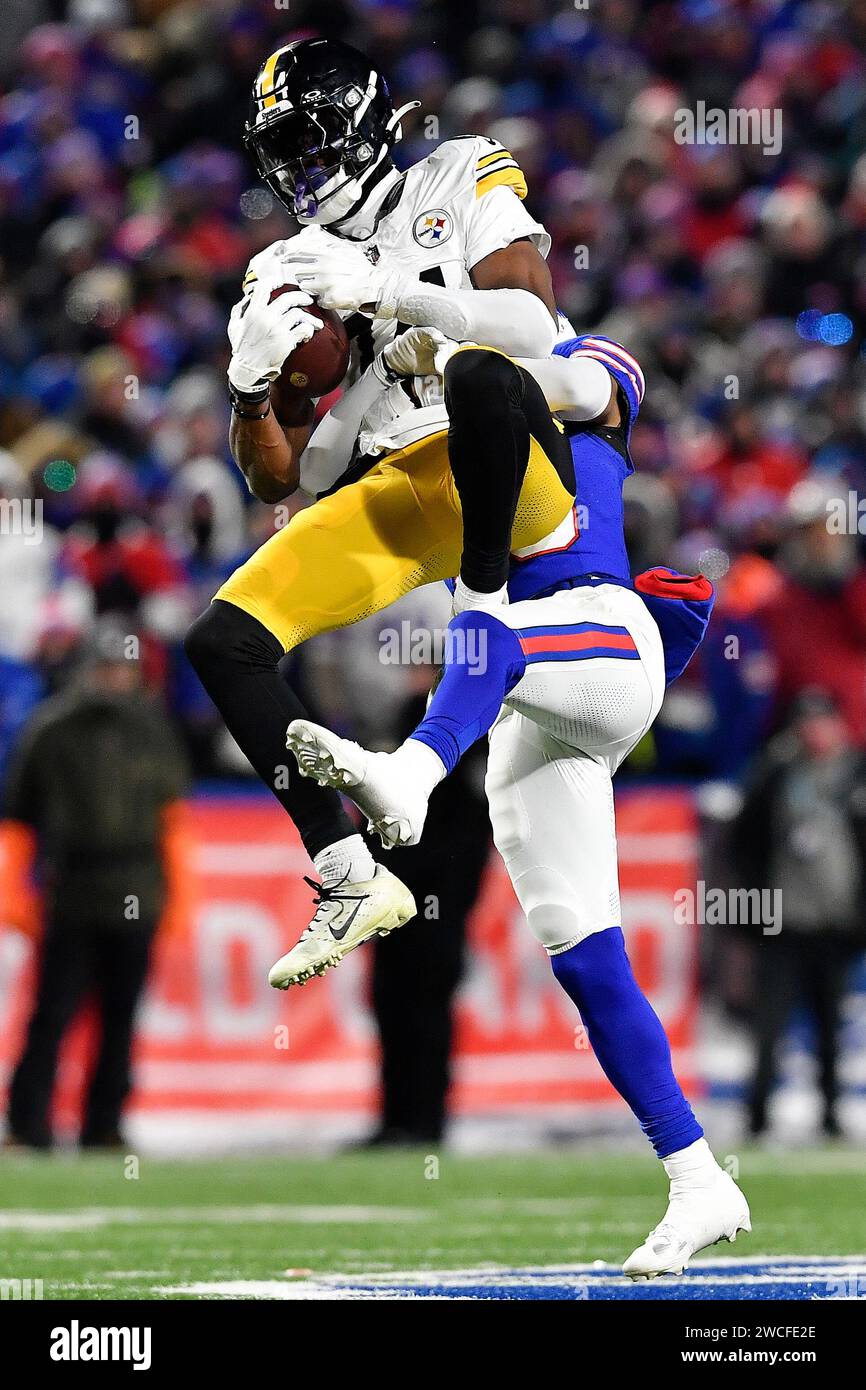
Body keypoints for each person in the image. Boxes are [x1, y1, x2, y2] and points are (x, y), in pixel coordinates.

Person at [286, 326, 752, 1279]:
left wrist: (434, 330)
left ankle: (407, 773)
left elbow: (553, 381)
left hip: (604, 642)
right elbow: (317, 471)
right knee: (581, 947)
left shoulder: (580, 377)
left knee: (484, 625)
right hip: (533, 711)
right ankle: (698, 1174)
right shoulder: (461, 415)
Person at [185, 37, 580, 984]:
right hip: (394, 484)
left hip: (509, 462)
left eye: (311, 142)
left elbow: (532, 323)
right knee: (221, 642)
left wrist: (391, 293)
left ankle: (480, 607)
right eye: (279, 150)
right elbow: (278, 480)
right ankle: (348, 871)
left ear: (364, 122)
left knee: (483, 374)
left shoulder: (456, 173)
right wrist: (247, 392)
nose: (296, 170)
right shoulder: (282, 263)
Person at [4, 622, 190, 1150]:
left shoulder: (152, 730)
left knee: (120, 1016)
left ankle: (105, 1126)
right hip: (72, 888)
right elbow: (19, 818)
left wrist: (178, 897)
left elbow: (173, 820)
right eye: (106, 667)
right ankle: (27, 1125)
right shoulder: (50, 729)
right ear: (87, 670)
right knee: (53, 1013)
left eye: (123, 669)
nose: (114, 678)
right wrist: (15, 892)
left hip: (137, 883)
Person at [732, 689, 866, 1138]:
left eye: (821, 720)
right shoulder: (776, 775)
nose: (814, 731)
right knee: (770, 1026)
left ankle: (830, 1116)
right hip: (783, 921)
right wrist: (749, 910)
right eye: (805, 722)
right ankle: (757, 1117)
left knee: (830, 1027)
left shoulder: (856, 772)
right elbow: (744, 843)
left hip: (837, 922)